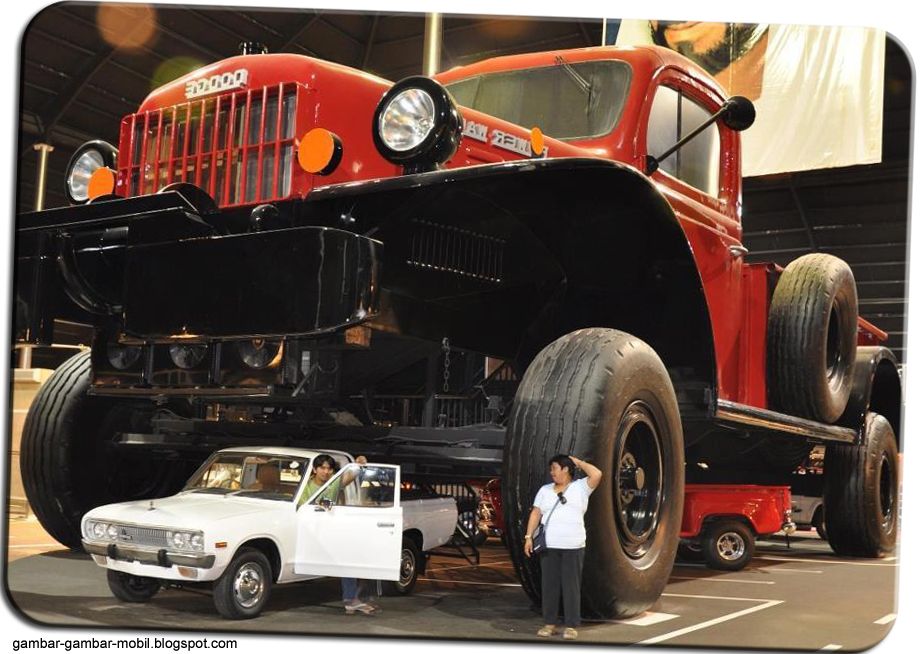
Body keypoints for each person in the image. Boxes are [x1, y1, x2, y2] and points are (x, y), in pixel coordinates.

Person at [524, 454, 602, 640]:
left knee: (571, 587)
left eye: (555, 468)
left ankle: (571, 625)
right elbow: (536, 513)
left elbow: (597, 474)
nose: (552, 473)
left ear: (566, 469)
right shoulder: (544, 490)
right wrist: (528, 537)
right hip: (549, 546)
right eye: (551, 469)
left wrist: (579, 462)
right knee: (549, 586)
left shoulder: (581, 487)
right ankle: (549, 624)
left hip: (573, 545)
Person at [298, 453, 376, 615]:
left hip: (330, 530)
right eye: (322, 468)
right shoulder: (306, 487)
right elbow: (303, 508)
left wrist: (358, 464)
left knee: (353, 556)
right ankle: (353, 599)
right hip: (310, 531)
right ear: (315, 469)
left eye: (329, 469)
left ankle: (352, 599)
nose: (326, 472)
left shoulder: (333, 483)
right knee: (348, 557)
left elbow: (349, 476)